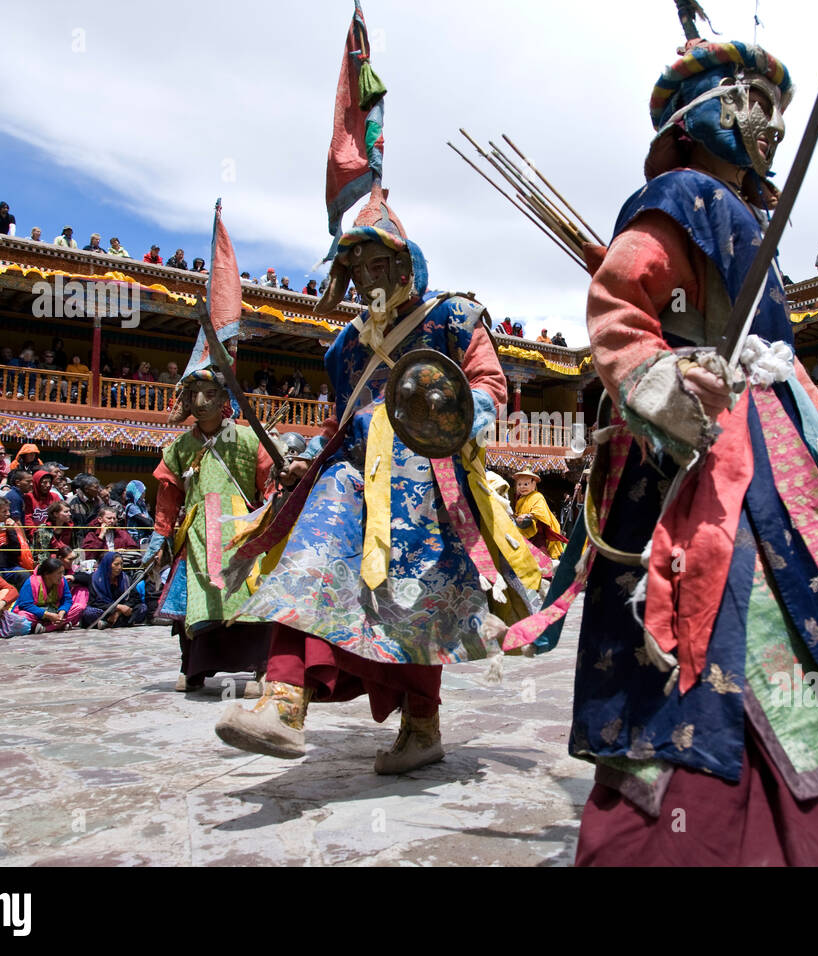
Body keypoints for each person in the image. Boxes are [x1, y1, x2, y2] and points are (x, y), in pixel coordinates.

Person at [512, 35, 818, 866]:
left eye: (774, 112)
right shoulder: (680, 196)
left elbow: (782, 363)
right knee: (700, 636)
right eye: (750, 103)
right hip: (691, 460)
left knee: (784, 636)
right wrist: (659, 380)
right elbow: (619, 302)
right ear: (695, 122)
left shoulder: (755, 228)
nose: (768, 126)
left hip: (775, 458)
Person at [215, 189, 519, 775]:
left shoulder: (452, 318)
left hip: (428, 486)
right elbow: (336, 420)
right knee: (310, 561)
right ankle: (282, 700)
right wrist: (308, 455)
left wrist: (444, 417)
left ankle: (423, 723)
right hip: (352, 481)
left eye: (380, 263)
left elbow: (489, 387)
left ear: (407, 265)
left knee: (414, 603)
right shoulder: (344, 347)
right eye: (356, 268)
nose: (367, 278)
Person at [143, 367, 275, 694]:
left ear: (224, 399)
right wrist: (159, 537)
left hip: (240, 532)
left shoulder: (248, 439)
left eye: (210, 394)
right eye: (193, 395)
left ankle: (261, 668)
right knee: (192, 601)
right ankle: (193, 669)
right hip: (196, 536)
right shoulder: (180, 448)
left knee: (248, 598)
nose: (200, 402)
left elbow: (271, 487)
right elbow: (167, 498)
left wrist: (273, 525)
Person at [0, 497, 35, 588]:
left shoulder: (12, 527)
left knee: (24, 575)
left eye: (8, 511)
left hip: (10, 567)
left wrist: (11, 531)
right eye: (4, 511)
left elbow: (16, 552)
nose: (8, 514)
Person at [81, 552, 146, 629]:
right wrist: (116, 607)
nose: (119, 567)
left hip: (122, 612)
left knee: (142, 607)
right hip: (105, 610)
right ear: (107, 564)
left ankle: (109, 623)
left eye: (121, 564)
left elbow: (135, 598)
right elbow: (94, 602)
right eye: (116, 564)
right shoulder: (95, 580)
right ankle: (116, 622)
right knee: (89, 612)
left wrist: (120, 611)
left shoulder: (125, 579)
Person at [511, 469, 566, 560]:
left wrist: (527, 516)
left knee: (540, 552)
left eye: (526, 484)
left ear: (533, 485)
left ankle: (546, 572)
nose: (522, 487)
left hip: (536, 530)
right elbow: (518, 512)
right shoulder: (520, 499)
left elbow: (540, 512)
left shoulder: (537, 496)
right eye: (519, 484)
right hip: (523, 529)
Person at [14, 557, 75, 633]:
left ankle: (46, 628)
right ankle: (56, 626)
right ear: (47, 574)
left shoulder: (62, 581)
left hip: (55, 611)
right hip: (37, 613)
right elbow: (25, 604)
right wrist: (48, 615)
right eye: (59, 573)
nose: (62, 576)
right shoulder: (32, 582)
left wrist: (62, 612)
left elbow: (67, 600)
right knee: (23, 616)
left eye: (63, 572)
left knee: (78, 608)